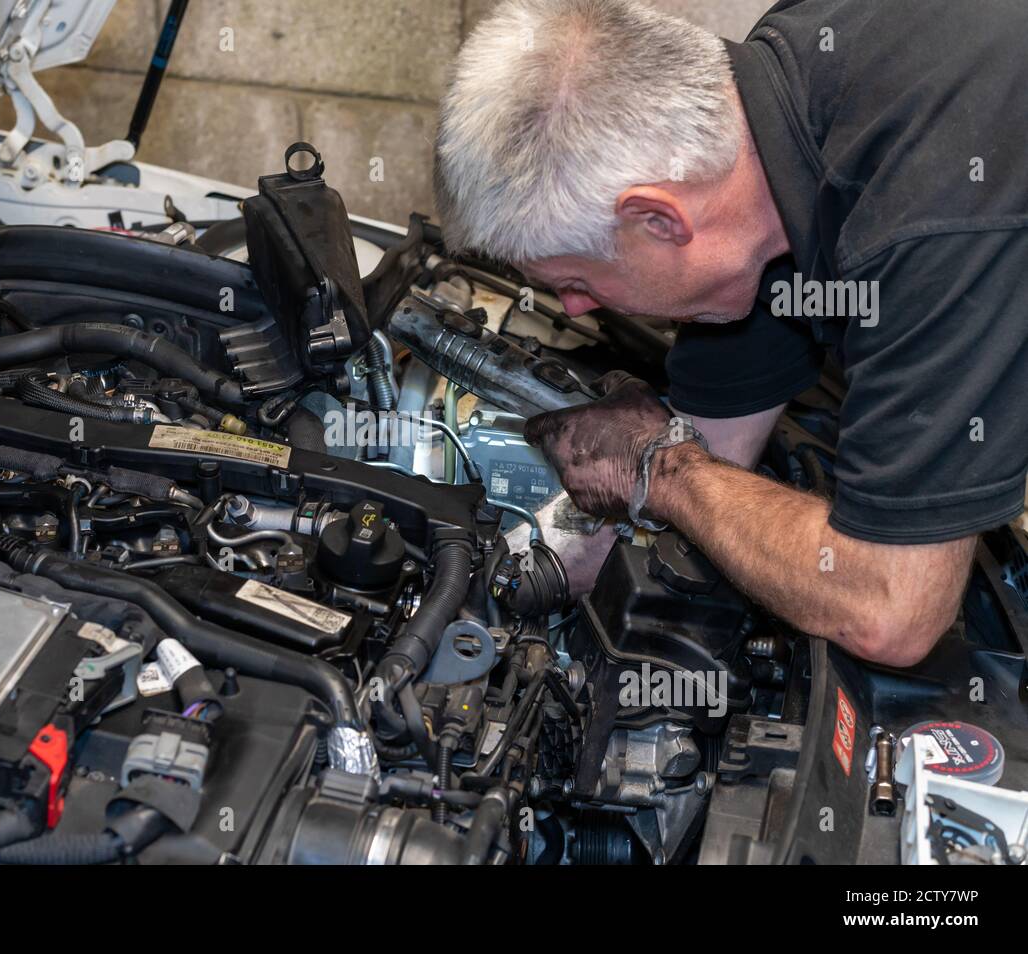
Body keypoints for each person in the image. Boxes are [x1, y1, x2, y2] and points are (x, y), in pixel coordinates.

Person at [433, 0, 1028, 666]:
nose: (573, 310)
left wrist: (663, 469)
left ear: (659, 221)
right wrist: (513, 574)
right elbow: (715, 433)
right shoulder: (776, 112)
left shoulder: (929, 211)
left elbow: (889, 607)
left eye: (577, 280)